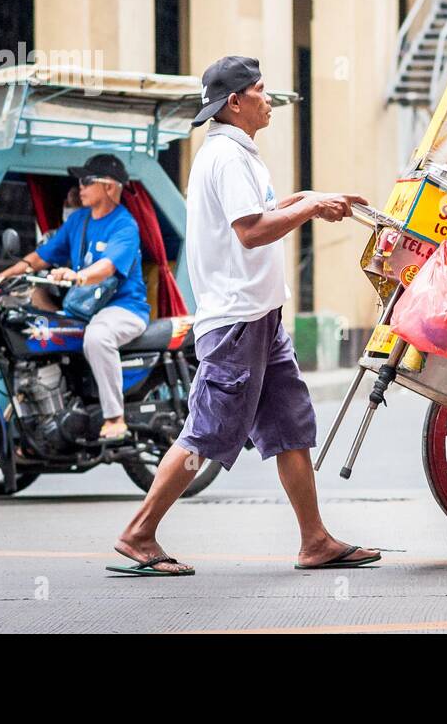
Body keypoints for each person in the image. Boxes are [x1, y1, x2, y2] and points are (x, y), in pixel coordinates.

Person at [110, 55, 379, 576]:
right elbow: (252, 230)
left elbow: (267, 210)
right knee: (206, 434)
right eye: (261, 90)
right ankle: (139, 534)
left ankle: (315, 541)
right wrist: (308, 209)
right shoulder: (227, 158)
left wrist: (312, 199)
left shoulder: (240, 153)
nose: (269, 98)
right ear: (236, 102)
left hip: (262, 318)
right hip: (236, 324)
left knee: (291, 427)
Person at [0, 154, 149, 441]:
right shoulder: (78, 220)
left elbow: (107, 267)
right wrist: (1, 277)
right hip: (84, 309)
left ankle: (115, 418)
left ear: (110, 187)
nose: (80, 186)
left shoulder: (124, 225)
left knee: (97, 337)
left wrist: (77, 276)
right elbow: (40, 257)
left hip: (123, 309)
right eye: (81, 181)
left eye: (88, 181)